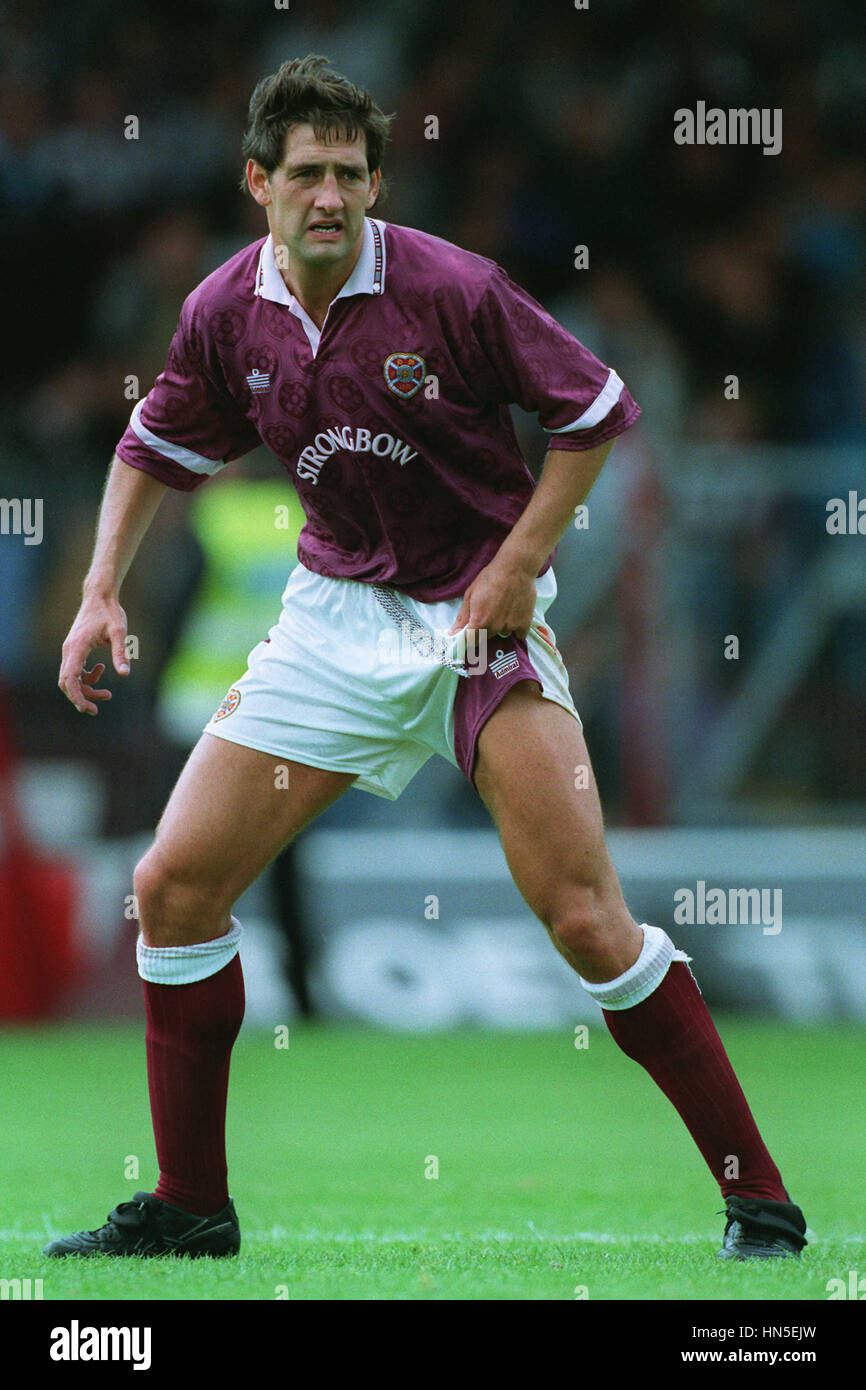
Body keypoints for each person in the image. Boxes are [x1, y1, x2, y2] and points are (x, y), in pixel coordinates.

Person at [49, 56, 806, 1262]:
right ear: (258, 182)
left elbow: (595, 412)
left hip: (472, 624)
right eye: (306, 174)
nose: (331, 197)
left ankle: (757, 1198)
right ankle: (192, 1203)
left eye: (351, 174)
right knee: (173, 886)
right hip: (330, 620)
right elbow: (152, 445)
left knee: (581, 918)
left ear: (376, 181)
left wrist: (515, 568)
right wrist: (97, 591)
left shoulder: (454, 289)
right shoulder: (221, 311)